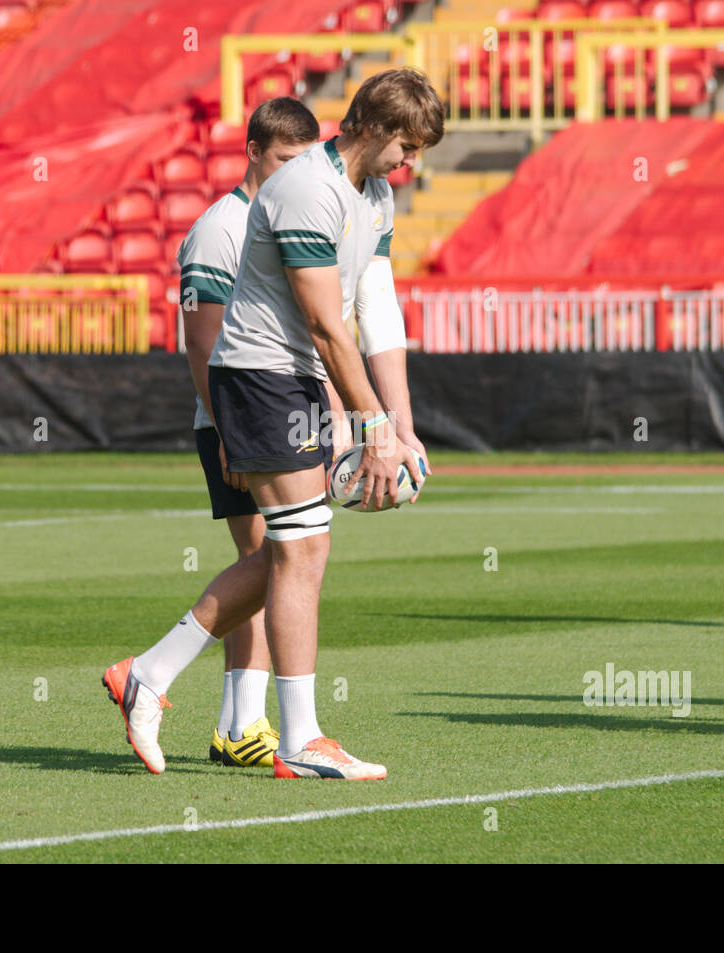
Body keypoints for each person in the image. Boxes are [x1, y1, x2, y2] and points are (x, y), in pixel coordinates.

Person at [103, 69, 441, 778]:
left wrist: (400, 424)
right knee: (301, 549)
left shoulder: (370, 193)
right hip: (262, 375)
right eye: (406, 147)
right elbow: (325, 323)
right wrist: (371, 427)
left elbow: (374, 307)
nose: (410, 165)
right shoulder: (306, 191)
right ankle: (296, 736)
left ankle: (153, 673)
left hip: (295, 379)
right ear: (373, 129)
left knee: (291, 550)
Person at [176, 97, 323, 768]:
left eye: (304, 160)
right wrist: (233, 433)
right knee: (269, 561)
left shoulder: (277, 218)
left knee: (270, 564)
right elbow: (202, 344)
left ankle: (240, 721)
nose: (295, 171)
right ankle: (239, 722)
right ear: (255, 151)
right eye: (284, 159)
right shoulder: (221, 229)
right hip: (236, 420)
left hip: (268, 413)